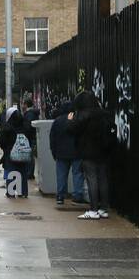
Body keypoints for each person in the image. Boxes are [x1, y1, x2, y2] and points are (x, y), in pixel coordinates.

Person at [69, 90, 114, 219]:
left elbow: (72, 130)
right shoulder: (104, 114)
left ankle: (93, 209)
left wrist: (70, 120)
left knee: (91, 179)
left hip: (88, 152)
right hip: (104, 151)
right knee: (103, 179)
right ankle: (103, 209)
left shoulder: (83, 115)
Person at [49, 101, 85, 206]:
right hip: (76, 152)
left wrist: (54, 152)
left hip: (61, 153)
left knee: (61, 175)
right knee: (77, 174)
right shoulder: (77, 120)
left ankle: (60, 196)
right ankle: (77, 196)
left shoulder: (57, 121)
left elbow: (52, 138)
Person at [0, 103, 33, 197]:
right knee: (23, 173)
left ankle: (11, 192)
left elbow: (2, 141)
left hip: (10, 154)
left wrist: (6, 148)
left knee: (11, 172)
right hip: (24, 154)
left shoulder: (7, 127)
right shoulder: (25, 126)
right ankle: (23, 192)